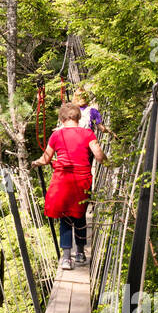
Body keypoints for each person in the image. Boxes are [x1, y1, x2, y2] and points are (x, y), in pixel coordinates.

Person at [31, 100, 107, 270]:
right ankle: (80, 253)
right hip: (82, 181)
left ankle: (66, 258)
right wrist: (109, 163)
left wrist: (36, 163)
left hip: (62, 181)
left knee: (64, 217)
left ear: (62, 119)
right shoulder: (88, 133)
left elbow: (46, 159)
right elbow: (99, 155)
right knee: (79, 215)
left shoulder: (56, 135)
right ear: (78, 117)